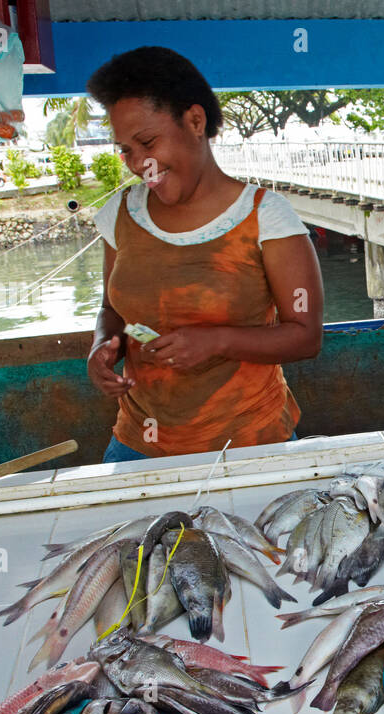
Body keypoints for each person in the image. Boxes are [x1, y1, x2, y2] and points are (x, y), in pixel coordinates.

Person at [85, 46, 323, 462]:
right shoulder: (119, 215)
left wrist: (217, 341)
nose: (140, 163)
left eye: (147, 142)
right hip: (138, 443)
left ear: (195, 121)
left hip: (250, 442)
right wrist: (104, 346)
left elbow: (305, 336)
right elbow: (112, 308)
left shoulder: (265, 215)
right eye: (125, 150)